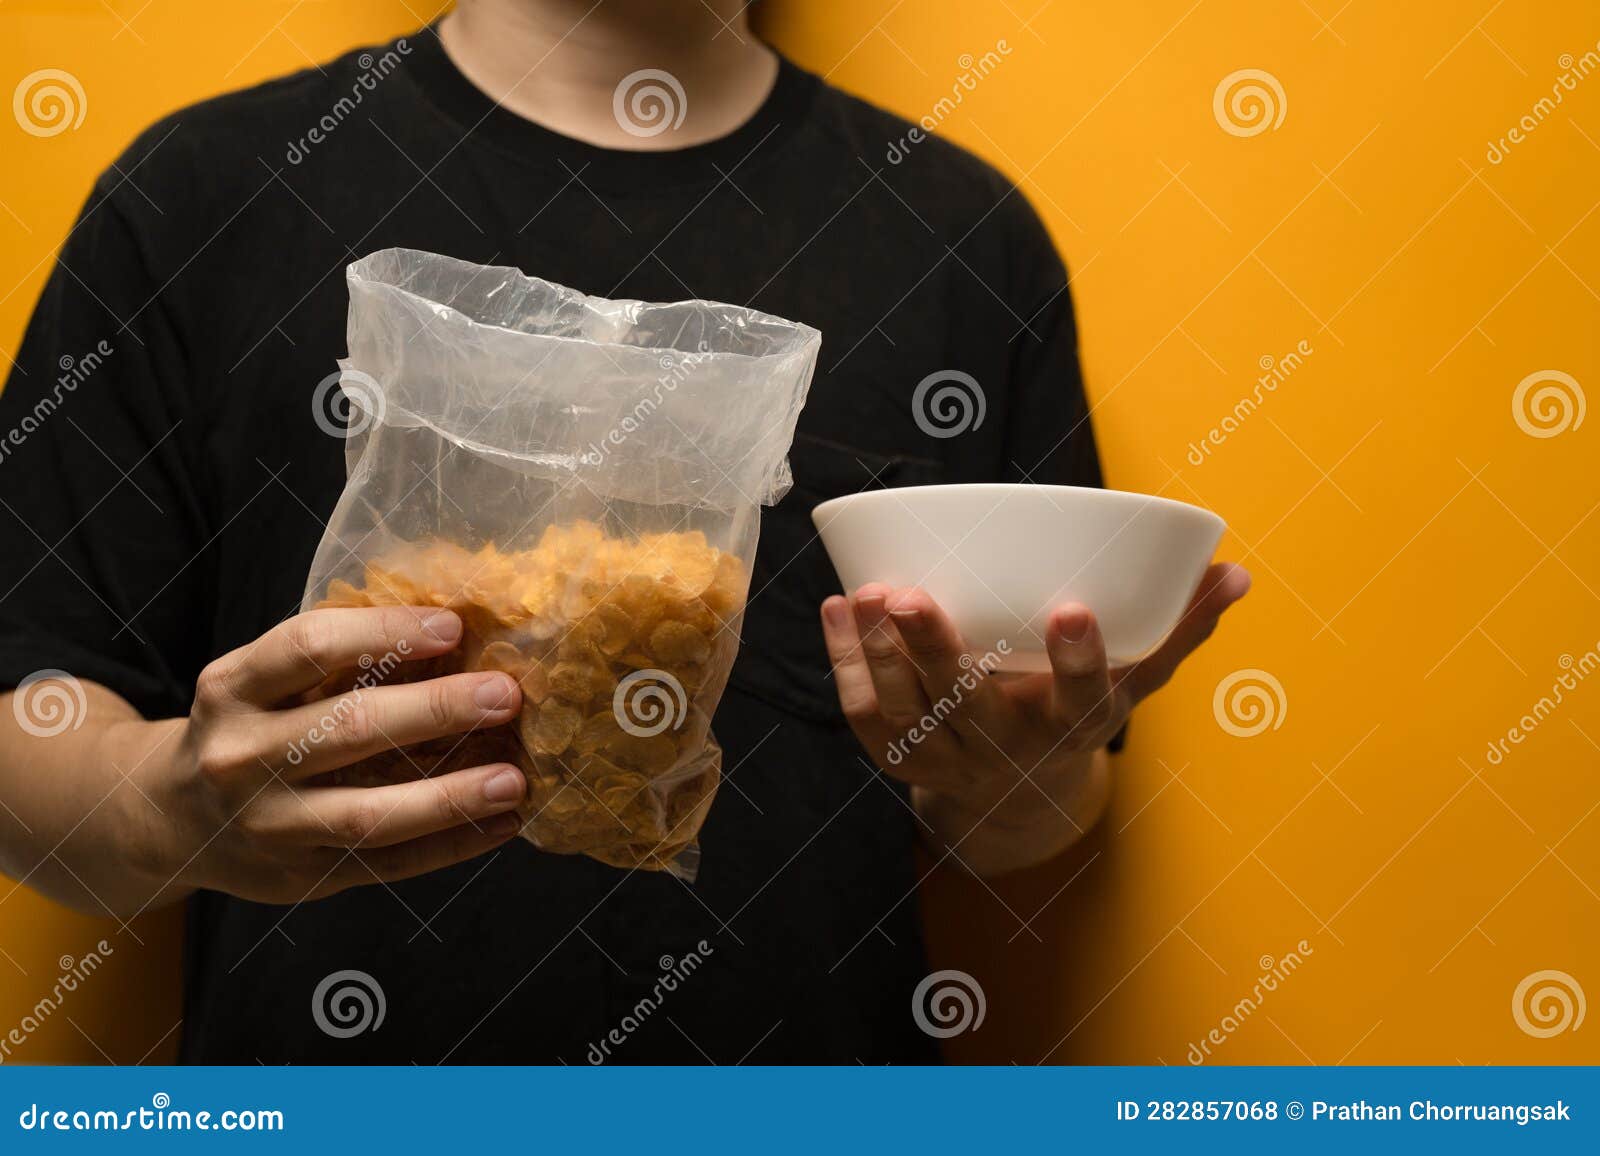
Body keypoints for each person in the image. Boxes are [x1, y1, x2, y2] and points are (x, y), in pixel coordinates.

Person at [0, 0, 1248, 1063]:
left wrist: (1011, 780)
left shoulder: (960, 237)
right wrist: (175, 813)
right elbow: (26, 732)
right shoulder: (203, 196)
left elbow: (1025, 818)